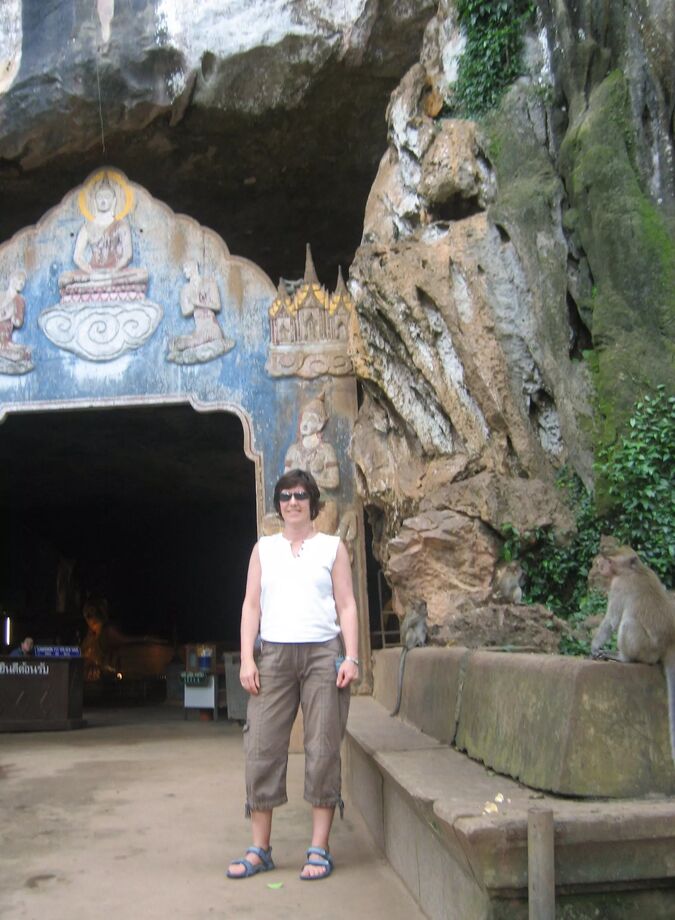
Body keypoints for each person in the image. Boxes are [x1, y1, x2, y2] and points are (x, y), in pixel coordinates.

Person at [227, 468, 359, 882]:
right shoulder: (264, 549)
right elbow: (251, 605)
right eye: (285, 496)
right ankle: (259, 849)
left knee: (322, 748)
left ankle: (319, 847)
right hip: (274, 656)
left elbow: (347, 604)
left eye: (301, 495)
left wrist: (352, 657)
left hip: (323, 654)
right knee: (262, 746)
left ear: (313, 502)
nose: (293, 502)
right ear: (278, 505)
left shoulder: (332, 547)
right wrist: (247, 659)